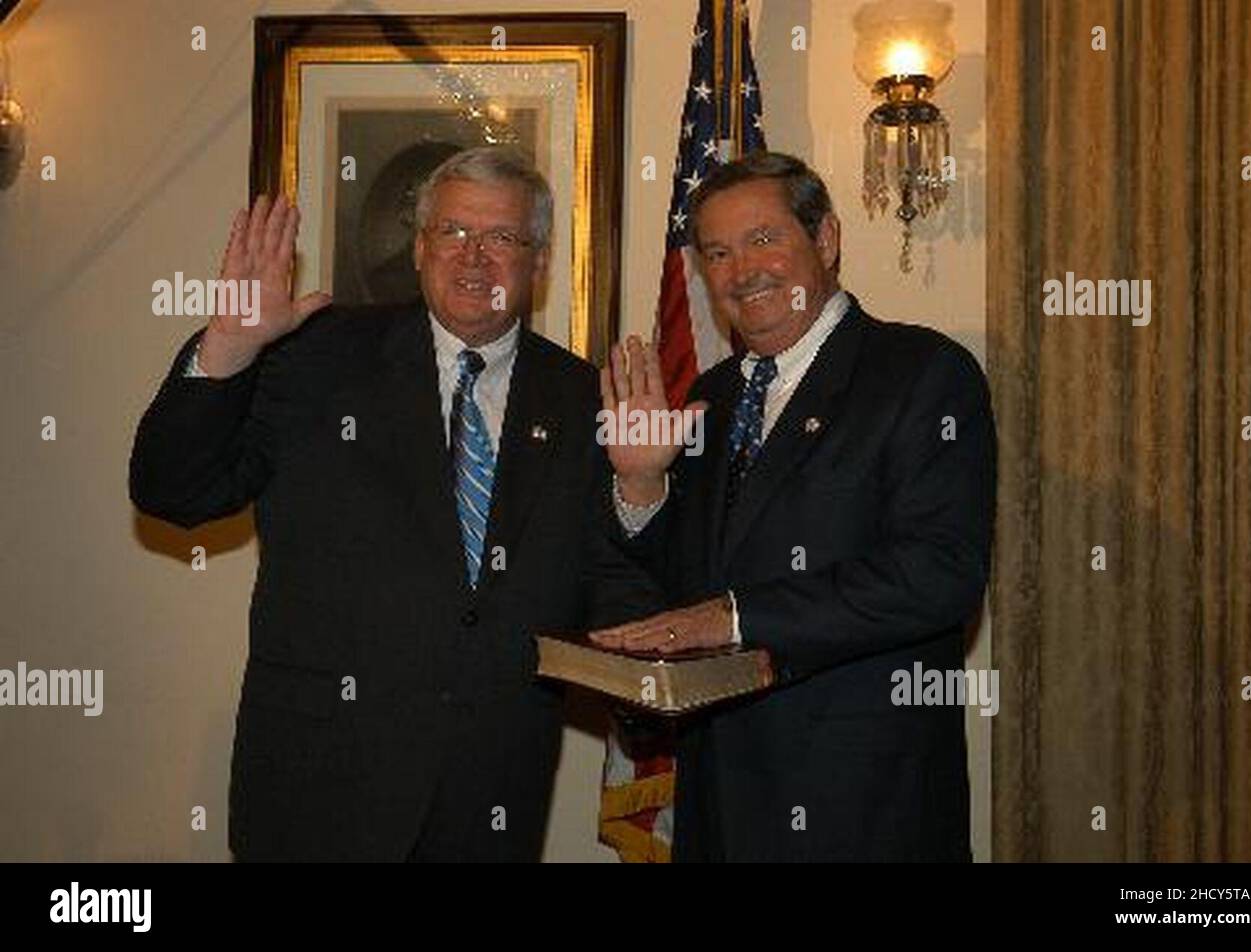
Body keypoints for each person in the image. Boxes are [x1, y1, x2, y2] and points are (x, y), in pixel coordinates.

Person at [130, 146, 658, 861]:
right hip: (317, 788)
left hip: (488, 798)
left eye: (502, 238)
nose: (474, 257)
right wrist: (227, 346)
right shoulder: (315, 356)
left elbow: (615, 593)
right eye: (452, 232)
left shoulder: (583, 399)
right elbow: (173, 492)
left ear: (537, 261)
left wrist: (639, 490)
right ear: (417, 247)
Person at [595, 151, 996, 861]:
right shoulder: (707, 401)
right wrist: (641, 484)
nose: (742, 270)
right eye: (717, 252)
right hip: (719, 805)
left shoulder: (921, 374)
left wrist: (738, 618)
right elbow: (676, 597)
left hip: (863, 809)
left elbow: (938, 575)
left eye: (763, 239)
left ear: (828, 239)